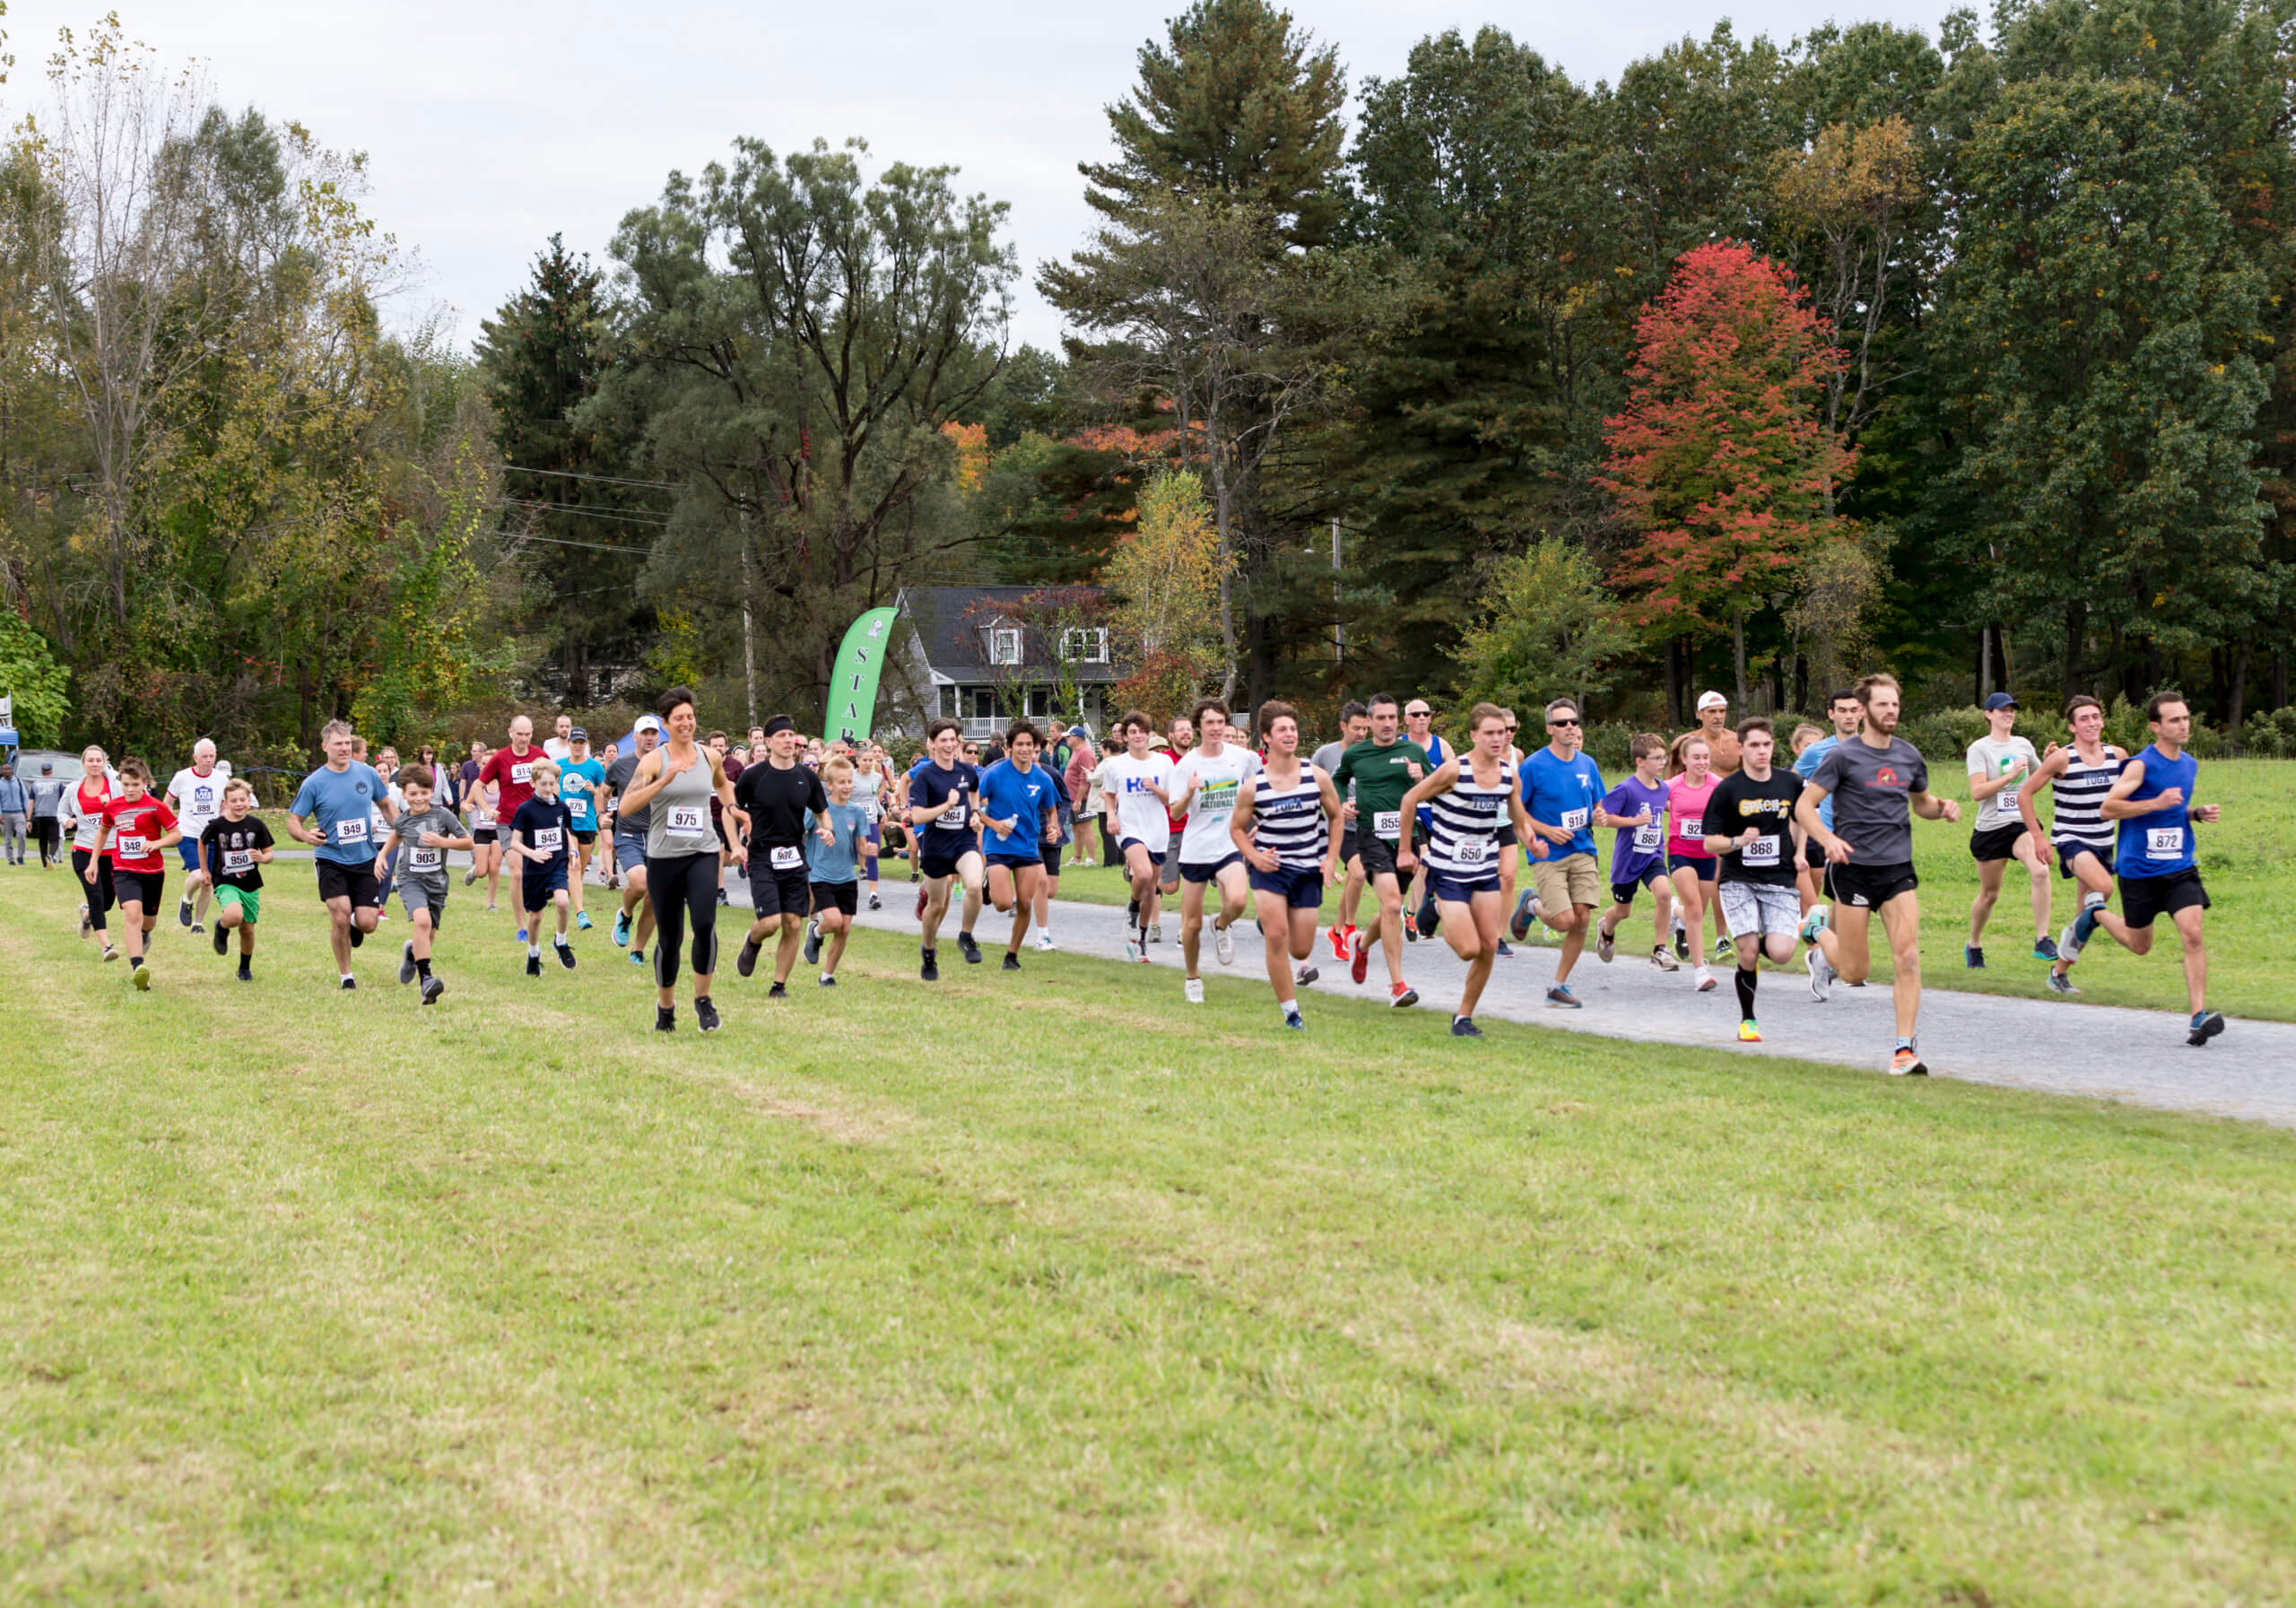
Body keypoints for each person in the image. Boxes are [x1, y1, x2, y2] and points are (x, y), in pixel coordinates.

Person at [1796, 672, 1961, 1076]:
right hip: (1852, 869)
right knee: (1855, 972)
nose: (1892, 710)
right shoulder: (1842, 756)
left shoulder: (1908, 755)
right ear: (1866, 709)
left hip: (1896, 868)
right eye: (1883, 704)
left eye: (1895, 703)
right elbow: (1804, 806)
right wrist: (1826, 838)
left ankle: (1904, 1049)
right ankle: (1818, 931)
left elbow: (1920, 803)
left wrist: (1942, 807)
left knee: (1907, 957)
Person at [2058, 692, 2226, 1046]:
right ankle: (2096, 913)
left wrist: (2195, 813)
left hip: (2180, 865)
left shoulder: (2190, 764)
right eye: (2174, 720)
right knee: (2140, 945)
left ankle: (2198, 1016)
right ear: (2156, 727)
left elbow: (2172, 810)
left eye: (2185, 718)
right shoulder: (2139, 765)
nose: (2184, 725)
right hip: (2139, 870)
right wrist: (2155, 802)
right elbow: (2108, 808)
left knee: (2192, 934)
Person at [1399, 703, 1542, 1037]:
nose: (1498, 739)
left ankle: (1463, 1018)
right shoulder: (1454, 771)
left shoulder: (1509, 774)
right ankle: (1433, 907)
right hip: (1448, 871)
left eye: (1502, 732)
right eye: (1489, 733)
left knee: (1488, 945)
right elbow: (1410, 800)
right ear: (1474, 735)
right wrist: (1406, 850)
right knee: (1467, 949)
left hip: (1483, 870)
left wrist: (1531, 841)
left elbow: (1518, 821)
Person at [620, 687, 748, 1032]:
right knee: (670, 937)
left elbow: (723, 786)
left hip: (703, 852)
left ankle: (703, 1001)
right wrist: (664, 780)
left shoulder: (710, 757)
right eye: (679, 719)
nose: (686, 723)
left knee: (705, 924)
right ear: (666, 724)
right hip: (663, 857)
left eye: (690, 717)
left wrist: (734, 809)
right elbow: (626, 807)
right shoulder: (653, 761)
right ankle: (665, 1008)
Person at [1231, 700, 1344, 1029]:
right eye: (1282, 730)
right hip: (1271, 869)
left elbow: (1336, 817)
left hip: (1308, 868)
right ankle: (1291, 1013)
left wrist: (1330, 858)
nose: (1290, 734)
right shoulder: (1254, 786)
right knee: (1278, 938)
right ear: (1266, 737)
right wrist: (1254, 857)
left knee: (1300, 947)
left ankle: (1271, 924)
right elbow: (1236, 829)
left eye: (1293, 729)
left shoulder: (1316, 776)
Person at [1700, 718, 1807, 1043]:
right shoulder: (1728, 789)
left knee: (1782, 953)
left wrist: (1800, 851)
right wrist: (1737, 842)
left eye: (1766, 744)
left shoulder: (1791, 782)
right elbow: (1709, 843)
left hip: (1779, 878)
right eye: (1754, 745)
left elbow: (1803, 818)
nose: (1761, 751)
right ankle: (1748, 1020)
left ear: (1773, 746)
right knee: (1748, 953)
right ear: (1741, 748)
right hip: (1738, 879)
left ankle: (1758, 939)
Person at [1329, 694, 1432, 1009]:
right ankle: (1398, 985)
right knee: (1390, 904)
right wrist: (1341, 805)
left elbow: (1436, 785)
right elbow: (1337, 780)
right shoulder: (1356, 755)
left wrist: (1421, 778)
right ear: (1370, 722)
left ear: (1398, 721)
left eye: (1391, 717)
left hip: (1406, 838)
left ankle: (1361, 944)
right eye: (1380, 718)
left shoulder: (1413, 751)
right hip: (1370, 835)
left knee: (1393, 907)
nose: (1387, 723)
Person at [2018, 695, 2124, 996]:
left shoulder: (2117, 755)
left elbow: (2133, 790)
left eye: (2095, 717)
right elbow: (2025, 794)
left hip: (2105, 843)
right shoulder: (2062, 758)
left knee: (2083, 918)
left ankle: (2058, 974)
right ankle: (2112, 924)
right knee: (2103, 889)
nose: (2091, 723)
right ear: (2072, 727)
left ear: (2102, 721)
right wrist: (2039, 838)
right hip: (2072, 841)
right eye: (2084, 719)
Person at [1509, 698, 1606, 1008]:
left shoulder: (1586, 763)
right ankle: (1531, 904)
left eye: (1574, 722)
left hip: (1583, 849)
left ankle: (1558, 984)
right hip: (1548, 853)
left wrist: (1600, 815)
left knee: (1581, 920)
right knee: (1563, 921)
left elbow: (1596, 805)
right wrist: (1546, 830)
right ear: (1550, 728)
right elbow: (1516, 812)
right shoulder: (1534, 766)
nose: (1569, 728)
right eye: (1562, 723)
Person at [288, 720, 397, 990]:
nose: (344, 748)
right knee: (339, 914)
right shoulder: (314, 783)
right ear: (325, 747)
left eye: (348, 743)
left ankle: (354, 924)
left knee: (368, 923)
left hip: (365, 858)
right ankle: (346, 975)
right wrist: (305, 835)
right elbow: (293, 822)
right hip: (330, 858)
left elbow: (385, 805)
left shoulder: (367, 774)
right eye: (338, 744)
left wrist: (405, 827)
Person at [1168, 700, 1260, 1003]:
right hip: (1196, 849)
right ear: (1199, 727)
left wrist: (1261, 821)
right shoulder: (1185, 765)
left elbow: (1259, 787)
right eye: (1210, 723)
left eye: (1221, 722)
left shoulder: (1242, 757)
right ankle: (1192, 977)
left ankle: (1220, 925)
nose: (1216, 728)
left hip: (1228, 844)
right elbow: (1177, 812)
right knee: (1191, 926)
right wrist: (1190, 792)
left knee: (1238, 901)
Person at [735, 716, 831, 997]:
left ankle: (779, 985)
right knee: (770, 922)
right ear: (768, 742)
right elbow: (733, 807)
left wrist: (827, 829)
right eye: (782, 736)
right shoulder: (753, 776)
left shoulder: (807, 777)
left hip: (794, 853)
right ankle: (752, 942)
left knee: (793, 922)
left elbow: (821, 811)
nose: (789, 740)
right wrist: (736, 841)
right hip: (763, 854)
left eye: (792, 735)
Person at [1963, 692, 2052, 969]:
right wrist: (2010, 776)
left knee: (2040, 870)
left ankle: (2042, 939)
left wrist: (2049, 761)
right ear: (1988, 714)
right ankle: (1974, 944)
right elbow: (1977, 792)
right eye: (2002, 710)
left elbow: (2040, 777)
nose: (2009, 714)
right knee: (1990, 894)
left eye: (2012, 710)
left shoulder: (2023, 745)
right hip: (1990, 828)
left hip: (2020, 822)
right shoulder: (1980, 748)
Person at [377, 763, 470, 1005]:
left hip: (437, 883)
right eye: (413, 794)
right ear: (404, 795)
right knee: (422, 921)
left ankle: (412, 954)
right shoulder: (404, 820)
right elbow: (397, 834)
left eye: (423, 792)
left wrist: (442, 841)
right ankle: (426, 981)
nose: (419, 798)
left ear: (431, 791)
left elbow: (468, 842)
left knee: (428, 936)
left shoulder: (443, 816)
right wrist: (381, 856)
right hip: (410, 879)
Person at [977, 721, 1064, 971]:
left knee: (1025, 903)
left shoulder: (1043, 779)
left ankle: (1011, 956)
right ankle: (990, 884)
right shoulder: (994, 775)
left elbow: (1051, 809)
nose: (1025, 749)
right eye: (1019, 745)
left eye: (1029, 745)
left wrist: (1052, 827)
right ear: (1009, 747)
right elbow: (976, 805)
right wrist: (992, 823)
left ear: (1036, 748)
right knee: (1004, 903)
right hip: (999, 845)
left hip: (1027, 847)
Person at [906, 718, 987, 980]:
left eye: (953, 740)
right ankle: (928, 952)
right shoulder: (924, 777)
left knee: (974, 885)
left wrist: (975, 813)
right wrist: (946, 807)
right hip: (936, 847)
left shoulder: (967, 771)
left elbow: (974, 793)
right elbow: (916, 817)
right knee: (936, 906)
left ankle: (966, 935)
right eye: (943, 740)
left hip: (963, 842)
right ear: (932, 744)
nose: (949, 745)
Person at [89, 758, 179, 989]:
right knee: (131, 914)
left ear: (146, 783)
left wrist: (156, 843)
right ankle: (138, 967)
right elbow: (102, 832)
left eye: (135, 784)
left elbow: (176, 835)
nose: (130, 789)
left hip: (152, 871)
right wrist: (93, 862)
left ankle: (145, 934)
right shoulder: (113, 807)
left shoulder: (156, 807)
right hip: (123, 869)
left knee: (148, 922)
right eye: (126, 784)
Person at [1591, 733, 1679, 972]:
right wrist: (1634, 821)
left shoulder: (1662, 788)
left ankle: (1659, 949)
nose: (1663, 763)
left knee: (1664, 894)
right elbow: (1603, 819)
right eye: (1657, 758)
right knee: (1623, 911)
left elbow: (1664, 806)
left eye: (1664, 757)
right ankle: (1606, 929)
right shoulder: (1626, 789)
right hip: (1628, 859)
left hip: (1653, 854)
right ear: (1640, 761)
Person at [1100, 711, 1178, 964]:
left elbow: (1172, 799)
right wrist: (1111, 815)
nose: (1137, 736)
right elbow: (1108, 794)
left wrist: (1156, 789)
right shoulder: (1116, 765)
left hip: (1157, 828)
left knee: (1151, 889)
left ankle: (1142, 938)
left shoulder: (1163, 763)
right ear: (1125, 736)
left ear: (1149, 734)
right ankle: (1132, 906)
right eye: (1132, 732)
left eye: (1142, 731)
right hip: (1129, 827)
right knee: (1142, 875)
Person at [508, 757, 578, 977]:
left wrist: (573, 850)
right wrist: (532, 853)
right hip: (534, 868)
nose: (548, 788)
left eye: (552, 783)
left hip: (557, 864)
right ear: (533, 783)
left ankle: (561, 941)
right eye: (543, 784)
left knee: (563, 902)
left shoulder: (562, 807)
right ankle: (533, 953)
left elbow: (566, 832)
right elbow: (514, 843)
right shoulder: (525, 810)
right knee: (536, 917)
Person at [1663, 734, 1723, 993]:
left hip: (1709, 855)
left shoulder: (1719, 786)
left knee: (1695, 912)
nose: (1702, 762)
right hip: (1680, 852)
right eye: (1696, 757)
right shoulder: (1672, 786)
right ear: (1685, 759)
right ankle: (1701, 971)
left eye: (1706, 757)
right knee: (1696, 909)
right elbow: (1652, 799)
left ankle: (1674, 913)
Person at [1312, 701, 1370, 962]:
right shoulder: (1325, 754)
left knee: (1355, 878)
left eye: (1365, 729)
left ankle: (1336, 931)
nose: (1361, 734)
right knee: (1358, 874)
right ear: (1343, 727)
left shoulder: (1371, 753)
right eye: (1356, 728)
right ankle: (1348, 927)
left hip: (1368, 827)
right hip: (1340, 828)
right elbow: (1310, 788)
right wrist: (1337, 806)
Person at [480, 717, 549, 939]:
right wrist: (486, 809)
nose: (523, 738)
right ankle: (521, 927)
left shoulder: (540, 755)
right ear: (510, 732)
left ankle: (530, 904)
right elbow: (477, 785)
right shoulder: (500, 758)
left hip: (535, 823)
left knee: (535, 872)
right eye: (519, 734)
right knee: (517, 873)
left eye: (527, 734)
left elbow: (553, 781)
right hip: (508, 823)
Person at [199, 777, 273, 982]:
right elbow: (202, 842)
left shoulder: (256, 825)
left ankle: (244, 968)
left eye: (243, 799)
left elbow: (269, 853)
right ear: (226, 803)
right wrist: (205, 870)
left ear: (249, 800)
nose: (239, 804)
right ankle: (221, 926)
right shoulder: (218, 825)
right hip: (225, 880)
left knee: (247, 929)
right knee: (233, 916)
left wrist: (263, 858)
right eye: (234, 800)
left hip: (250, 884)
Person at [604, 716, 662, 967]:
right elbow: (603, 791)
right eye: (645, 733)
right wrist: (601, 815)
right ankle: (625, 914)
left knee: (654, 897)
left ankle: (637, 950)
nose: (649, 737)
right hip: (628, 834)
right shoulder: (621, 764)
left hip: (659, 836)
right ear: (635, 736)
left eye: (653, 733)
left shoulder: (665, 763)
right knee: (640, 884)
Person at [159, 740, 226, 928]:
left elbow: (224, 805)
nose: (209, 760)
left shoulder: (221, 779)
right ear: (195, 757)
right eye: (204, 756)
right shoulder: (182, 777)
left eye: (212, 756)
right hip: (188, 835)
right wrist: (171, 827)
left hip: (211, 837)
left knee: (207, 882)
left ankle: (198, 923)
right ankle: (187, 898)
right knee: (198, 875)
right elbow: (167, 803)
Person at [1402, 698, 1453, 940]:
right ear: (1406, 719)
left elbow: (1455, 777)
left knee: (1434, 866)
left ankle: (1411, 911)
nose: (1421, 718)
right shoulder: (1398, 745)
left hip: (1437, 813)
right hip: (1410, 813)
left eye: (1425, 713)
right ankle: (1417, 914)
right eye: (1416, 714)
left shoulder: (1441, 746)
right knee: (1424, 860)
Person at [70, 746, 118, 960]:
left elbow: (125, 810)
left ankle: (87, 914)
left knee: (107, 901)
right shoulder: (73, 788)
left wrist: (111, 806)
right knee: (96, 896)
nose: (95, 764)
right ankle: (106, 946)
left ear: (104, 762)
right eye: (91, 760)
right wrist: (67, 821)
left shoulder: (115, 786)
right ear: (84, 764)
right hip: (83, 850)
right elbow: (61, 811)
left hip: (111, 851)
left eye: (99, 760)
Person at [558, 727, 605, 931]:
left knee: (578, 872)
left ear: (585, 744)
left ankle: (566, 899)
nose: (577, 746)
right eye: (574, 742)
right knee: (574, 865)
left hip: (586, 823)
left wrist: (594, 790)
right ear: (568, 743)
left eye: (581, 742)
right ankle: (581, 914)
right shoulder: (559, 766)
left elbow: (605, 794)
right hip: (566, 824)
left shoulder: (595, 767)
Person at [1152, 712, 1195, 934]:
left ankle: (1184, 930)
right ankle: (1148, 875)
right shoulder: (1164, 761)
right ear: (1171, 735)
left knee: (1190, 882)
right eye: (1181, 730)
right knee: (1169, 887)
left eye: (1189, 729)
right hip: (1169, 830)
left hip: (1194, 831)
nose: (1186, 733)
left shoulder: (1198, 759)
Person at [460, 739, 503, 910]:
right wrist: (467, 806)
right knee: (482, 871)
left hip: (499, 830)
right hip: (482, 830)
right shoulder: (478, 786)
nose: (484, 767)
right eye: (482, 764)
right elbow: (465, 804)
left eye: (488, 764)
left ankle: (491, 904)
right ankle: (474, 871)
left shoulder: (503, 784)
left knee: (494, 868)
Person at [850, 743, 889, 911]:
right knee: (851, 855)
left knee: (873, 853)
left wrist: (882, 813)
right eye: (864, 760)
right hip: (852, 822)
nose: (867, 763)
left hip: (871, 819)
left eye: (870, 760)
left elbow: (873, 798)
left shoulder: (877, 777)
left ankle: (873, 895)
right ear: (858, 761)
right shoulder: (850, 776)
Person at [1062, 725, 1100, 871]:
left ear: (1076, 738)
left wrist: (1078, 799)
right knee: (1076, 827)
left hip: (1084, 799)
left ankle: (1091, 858)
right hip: (1073, 798)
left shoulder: (1086, 752)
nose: (1067, 739)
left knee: (1086, 827)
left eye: (1069, 737)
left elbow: (1085, 778)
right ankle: (1077, 858)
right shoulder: (1076, 751)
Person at [30, 761, 66, 869]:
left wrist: (28, 819)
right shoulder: (58, 783)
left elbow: (31, 802)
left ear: (42, 771)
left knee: (43, 840)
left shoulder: (35, 784)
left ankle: (45, 865)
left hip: (40, 815)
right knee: (55, 839)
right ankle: (50, 855)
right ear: (51, 771)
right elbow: (64, 799)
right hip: (53, 814)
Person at [0, 761, 26, 866]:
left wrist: (25, 811)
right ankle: (10, 859)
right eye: (5, 769)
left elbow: (25, 797)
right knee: (8, 838)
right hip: (5, 814)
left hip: (19, 813)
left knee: (21, 834)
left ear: (12, 770)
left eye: (9, 769)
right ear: (1, 771)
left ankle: (20, 857)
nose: (7, 771)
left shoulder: (19, 782)